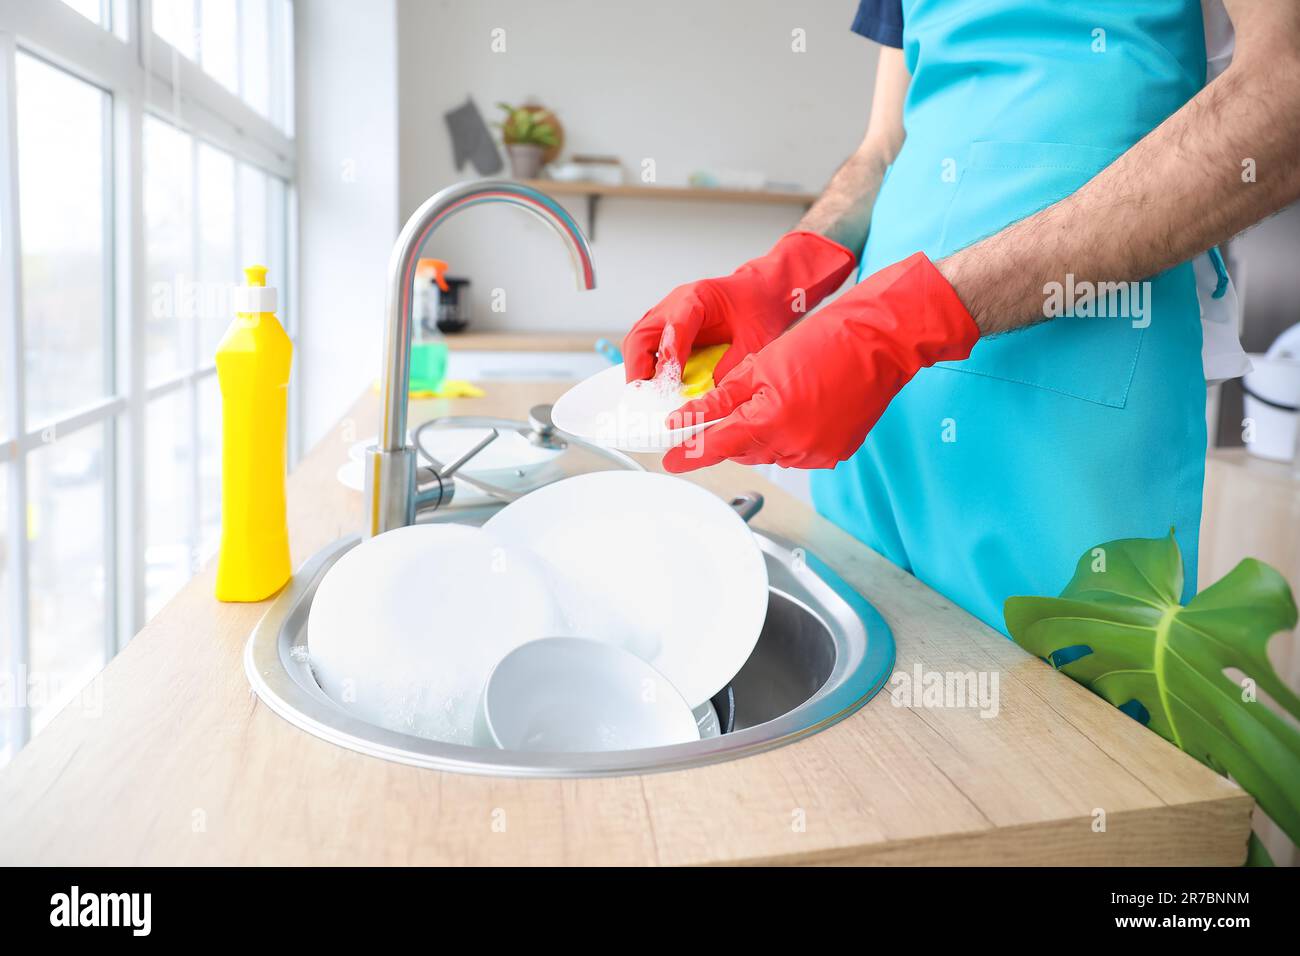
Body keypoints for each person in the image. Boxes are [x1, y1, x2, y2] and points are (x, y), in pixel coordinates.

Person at [622, 0, 1300, 634]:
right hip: (875, 387)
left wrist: (907, 318)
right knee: (869, 677)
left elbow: (1285, 91)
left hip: (1069, 362)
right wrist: (784, 277)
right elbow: (885, 147)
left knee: (1054, 736)